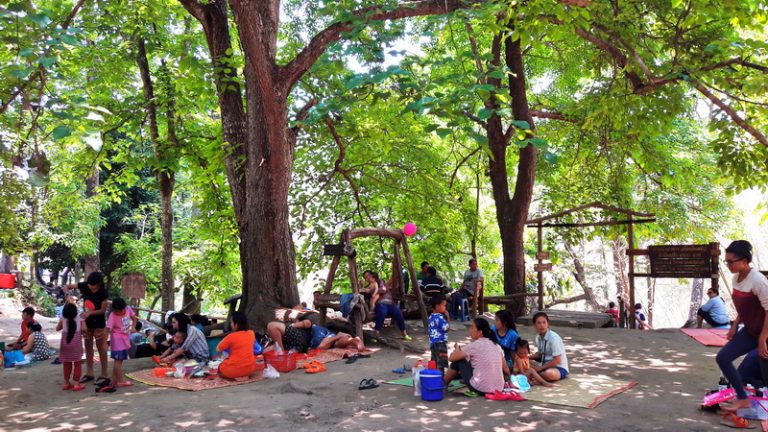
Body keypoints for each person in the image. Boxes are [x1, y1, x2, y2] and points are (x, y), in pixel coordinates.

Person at [716, 240, 768, 411]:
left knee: (765, 374)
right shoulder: (736, 279)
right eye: (727, 261)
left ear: (744, 261)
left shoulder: (758, 280)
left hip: (765, 334)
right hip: (750, 331)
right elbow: (745, 307)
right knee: (723, 358)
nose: (728, 265)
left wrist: (763, 338)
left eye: (731, 261)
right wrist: (734, 326)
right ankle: (743, 398)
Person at [62, 271, 110, 385]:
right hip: (86, 323)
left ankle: (104, 374)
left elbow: (103, 310)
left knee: (101, 348)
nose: (90, 287)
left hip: (99, 323)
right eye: (89, 285)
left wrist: (90, 313)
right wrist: (68, 296)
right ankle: (90, 373)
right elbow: (66, 287)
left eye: (93, 286)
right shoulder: (84, 285)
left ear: (99, 284)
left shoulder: (103, 293)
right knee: (88, 347)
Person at [444, 317, 509, 396]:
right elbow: (506, 370)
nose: (470, 330)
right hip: (499, 389)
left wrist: (457, 349)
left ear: (480, 332)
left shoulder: (474, 346)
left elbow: (451, 358)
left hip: (480, 389)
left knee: (458, 361)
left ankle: (443, 384)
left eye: (472, 328)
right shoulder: (497, 346)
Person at [362, 270, 411, 341]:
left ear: (372, 275)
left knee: (398, 312)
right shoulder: (367, 287)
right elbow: (367, 296)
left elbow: (383, 289)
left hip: (390, 303)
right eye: (366, 277)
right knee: (382, 311)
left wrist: (371, 290)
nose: (368, 278)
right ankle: (376, 334)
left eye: (368, 275)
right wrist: (365, 290)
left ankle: (404, 334)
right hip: (379, 304)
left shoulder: (380, 281)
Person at [106, 297, 137, 388]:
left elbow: (134, 318)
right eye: (117, 311)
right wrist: (105, 341)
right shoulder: (112, 315)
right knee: (118, 361)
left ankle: (114, 380)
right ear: (114, 310)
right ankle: (121, 381)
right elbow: (108, 329)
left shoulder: (128, 309)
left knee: (120, 360)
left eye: (121, 310)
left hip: (125, 339)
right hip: (117, 340)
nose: (120, 312)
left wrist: (133, 327)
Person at [530, 311, 569, 382]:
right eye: (538, 323)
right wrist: (527, 357)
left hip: (558, 367)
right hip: (544, 365)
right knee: (524, 361)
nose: (542, 325)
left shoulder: (554, 338)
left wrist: (541, 368)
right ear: (535, 325)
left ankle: (534, 373)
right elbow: (540, 355)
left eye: (544, 322)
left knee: (549, 374)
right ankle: (535, 373)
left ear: (548, 324)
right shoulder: (537, 338)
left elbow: (557, 360)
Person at [216, 312, 257, 379]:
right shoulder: (251, 333)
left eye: (231, 322)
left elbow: (218, 349)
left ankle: (236, 376)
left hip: (234, 371)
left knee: (220, 367)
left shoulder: (231, 336)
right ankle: (243, 375)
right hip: (250, 369)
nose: (231, 324)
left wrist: (224, 339)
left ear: (236, 324)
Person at [56, 303, 84, 391]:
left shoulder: (63, 319)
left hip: (65, 344)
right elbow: (84, 329)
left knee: (67, 363)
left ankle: (66, 383)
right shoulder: (79, 319)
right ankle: (76, 383)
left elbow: (57, 328)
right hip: (76, 344)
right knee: (77, 363)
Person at [428, 295, 450, 372]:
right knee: (441, 363)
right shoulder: (440, 317)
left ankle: (433, 378)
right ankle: (442, 380)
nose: (445, 308)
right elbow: (446, 328)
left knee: (434, 361)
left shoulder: (431, 317)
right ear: (437, 306)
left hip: (432, 343)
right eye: (444, 305)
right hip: (441, 343)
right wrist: (447, 318)